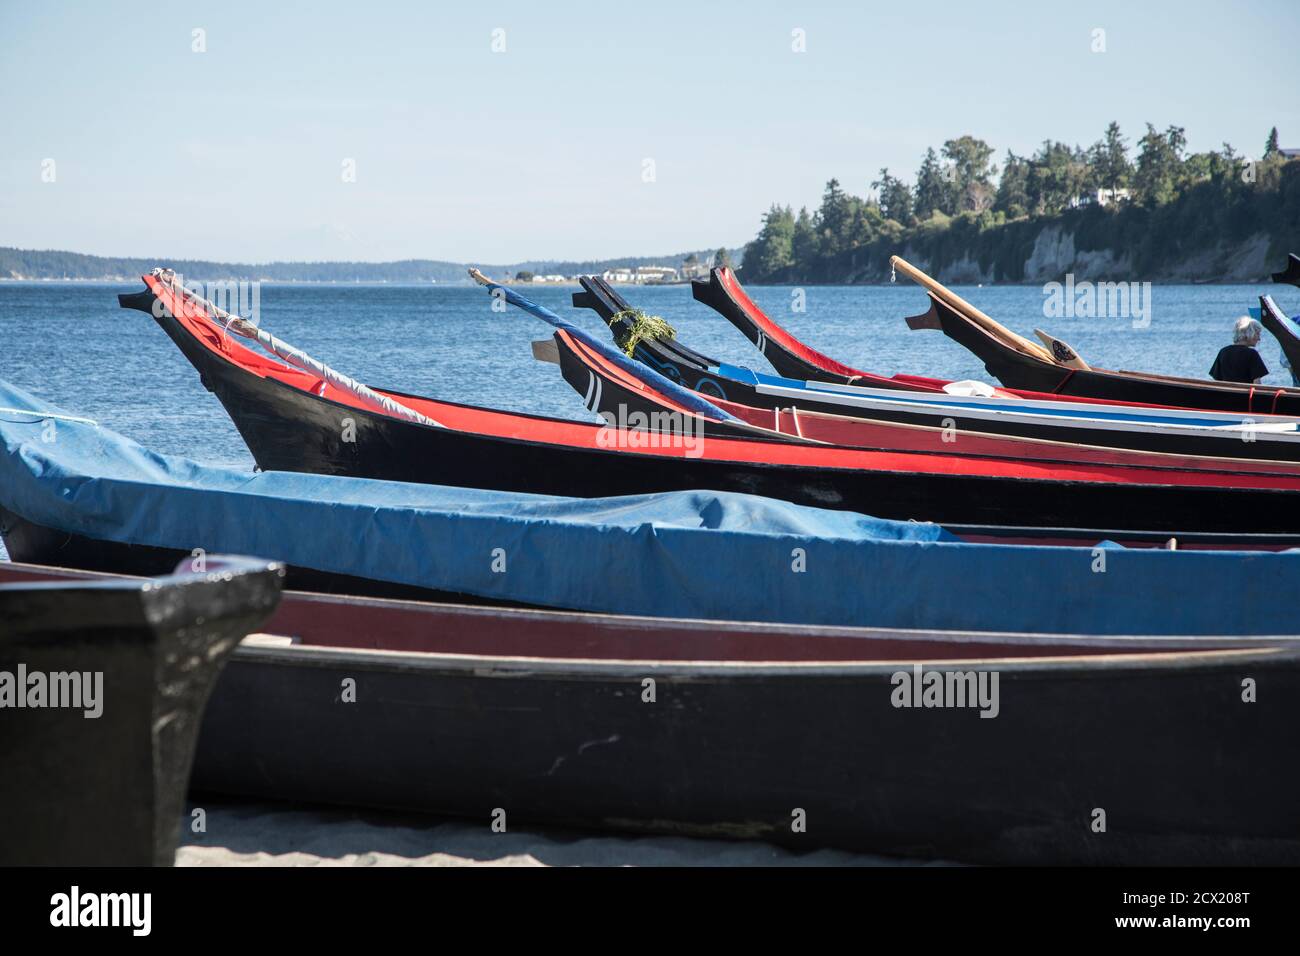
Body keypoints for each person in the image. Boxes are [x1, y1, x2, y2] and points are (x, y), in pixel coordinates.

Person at [1209, 317, 1268, 384]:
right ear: (1249, 333)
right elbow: (1257, 384)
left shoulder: (1223, 352)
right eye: (1257, 334)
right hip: (1244, 394)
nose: (1259, 338)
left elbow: (1217, 381)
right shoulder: (1252, 354)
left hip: (1225, 393)